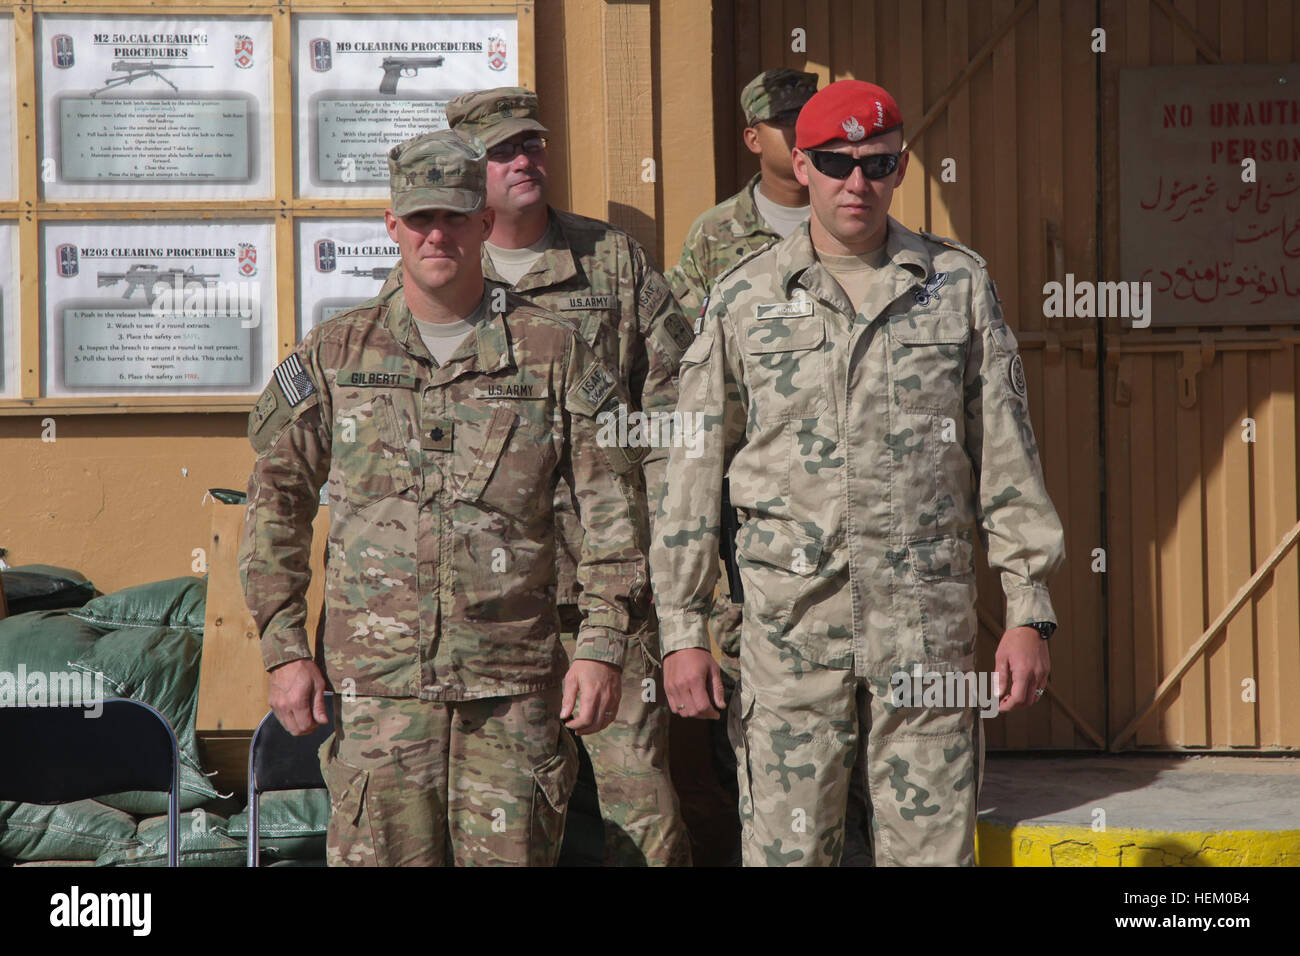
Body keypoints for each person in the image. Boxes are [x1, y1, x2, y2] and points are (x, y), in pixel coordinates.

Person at [650, 80, 1066, 866]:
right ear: (800, 166)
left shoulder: (957, 285)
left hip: (925, 632)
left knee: (932, 855)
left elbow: (1006, 455)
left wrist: (1028, 609)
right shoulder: (744, 297)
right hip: (787, 635)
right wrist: (681, 630)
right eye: (836, 162)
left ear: (901, 167)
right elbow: (693, 471)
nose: (856, 182)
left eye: (875, 164)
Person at [239, 128, 649, 867]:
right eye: (420, 218)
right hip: (379, 692)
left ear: (484, 224)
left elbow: (613, 510)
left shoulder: (553, 352)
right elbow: (276, 506)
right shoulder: (336, 354)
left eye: (455, 217)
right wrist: (283, 649)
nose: (438, 234)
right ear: (391, 226)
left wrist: (601, 645)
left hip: (513, 689)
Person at [374, 87, 693, 867]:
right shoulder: (423, 277)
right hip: (486, 607)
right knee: (504, 810)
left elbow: (676, 411)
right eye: (504, 151)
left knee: (638, 799)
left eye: (534, 146)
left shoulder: (609, 259)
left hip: (603, 591)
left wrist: (651, 544)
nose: (525, 162)